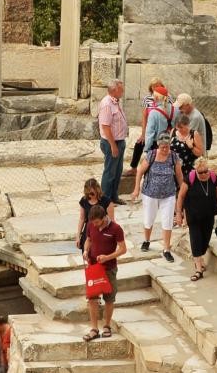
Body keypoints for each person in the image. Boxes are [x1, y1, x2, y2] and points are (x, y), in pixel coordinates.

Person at [133, 134, 182, 261]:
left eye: (167, 147)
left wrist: (182, 191)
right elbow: (139, 171)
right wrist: (136, 188)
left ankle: (166, 249)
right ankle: (147, 240)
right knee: (149, 219)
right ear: (158, 146)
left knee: (167, 221)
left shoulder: (174, 156)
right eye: (163, 147)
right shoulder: (151, 155)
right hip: (150, 193)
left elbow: (179, 176)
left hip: (168, 194)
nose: (166, 149)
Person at [81, 203, 126, 341]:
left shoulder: (116, 229)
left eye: (97, 222)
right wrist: (86, 250)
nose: (95, 225)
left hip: (109, 268)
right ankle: (94, 328)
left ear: (104, 217)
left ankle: (106, 325)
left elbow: (123, 249)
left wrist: (107, 257)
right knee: (92, 299)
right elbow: (88, 240)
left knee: (109, 298)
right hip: (94, 268)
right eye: (93, 222)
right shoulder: (90, 225)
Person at [179, 157, 217, 281]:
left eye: (206, 171)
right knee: (196, 240)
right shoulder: (190, 179)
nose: (204, 174)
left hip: (208, 215)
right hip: (193, 216)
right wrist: (179, 214)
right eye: (201, 172)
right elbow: (181, 196)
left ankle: (199, 259)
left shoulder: (213, 178)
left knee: (205, 241)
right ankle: (198, 270)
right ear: (196, 171)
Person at [96, 80, 126, 208]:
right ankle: (105, 200)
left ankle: (114, 196)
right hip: (111, 143)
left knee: (117, 171)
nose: (123, 91)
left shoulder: (115, 102)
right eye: (121, 89)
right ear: (114, 90)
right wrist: (113, 145)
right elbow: (106, 126)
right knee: (109, 172)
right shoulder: (107, 104)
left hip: (119, 141)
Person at [76, 178, 105, 251]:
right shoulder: (84, 200)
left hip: (101, 232)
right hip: (88, 232)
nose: (90, 195)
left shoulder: (106, 201)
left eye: (92, 193)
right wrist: (78, 236)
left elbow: (111, 220)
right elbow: (82, 219)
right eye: (88, 194)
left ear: (97, 190)